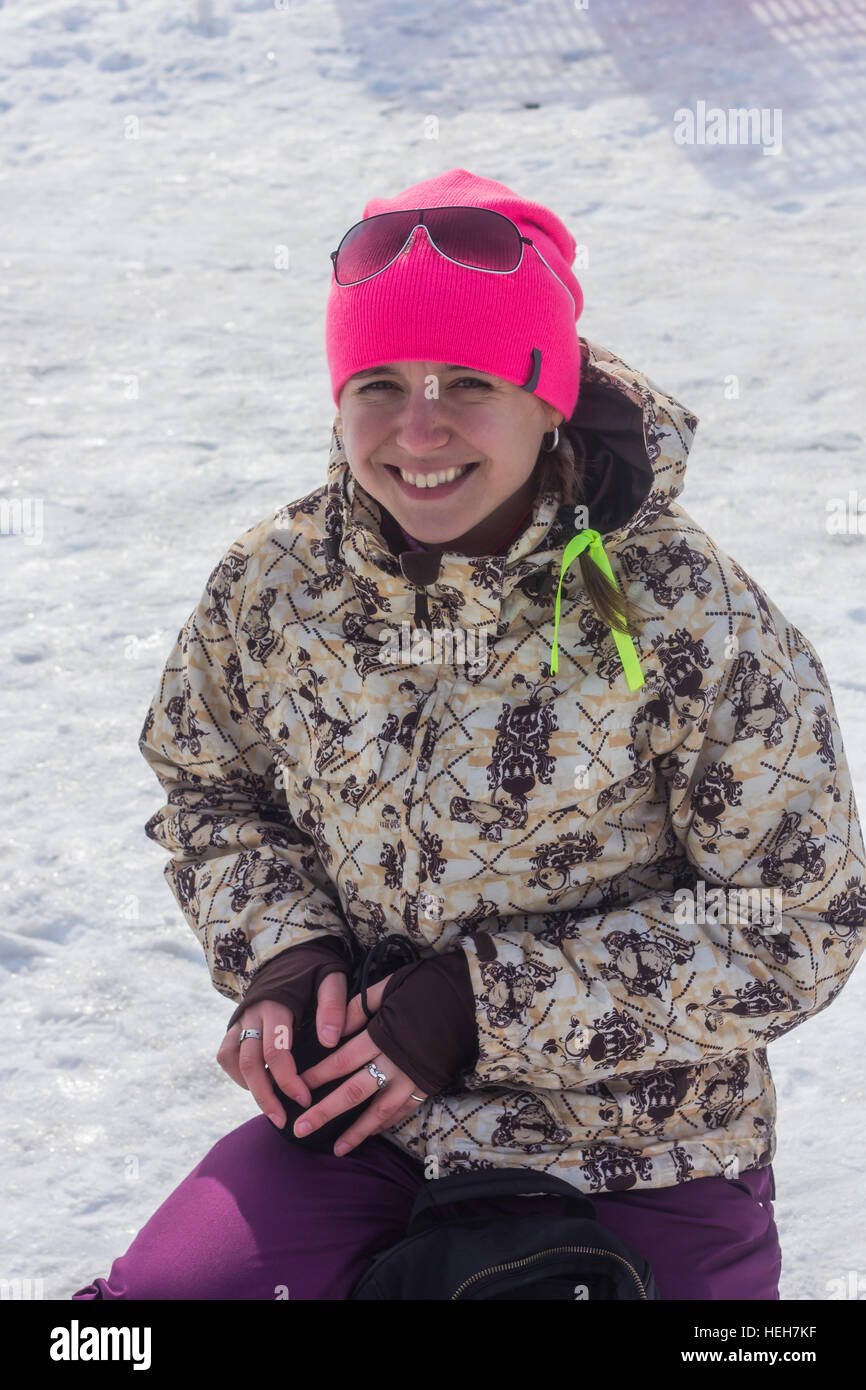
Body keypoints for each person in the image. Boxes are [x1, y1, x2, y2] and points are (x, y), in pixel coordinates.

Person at [72, 168, 865, 1301]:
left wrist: (480, 1007)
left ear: (550, 399)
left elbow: (799, 917)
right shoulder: (278, 581)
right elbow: (210, 783)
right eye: (377, 384)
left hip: (640, 1147)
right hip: (363, 1123)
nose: (418, 427)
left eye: (468, 382)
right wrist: (286, 956)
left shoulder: (691, 613)